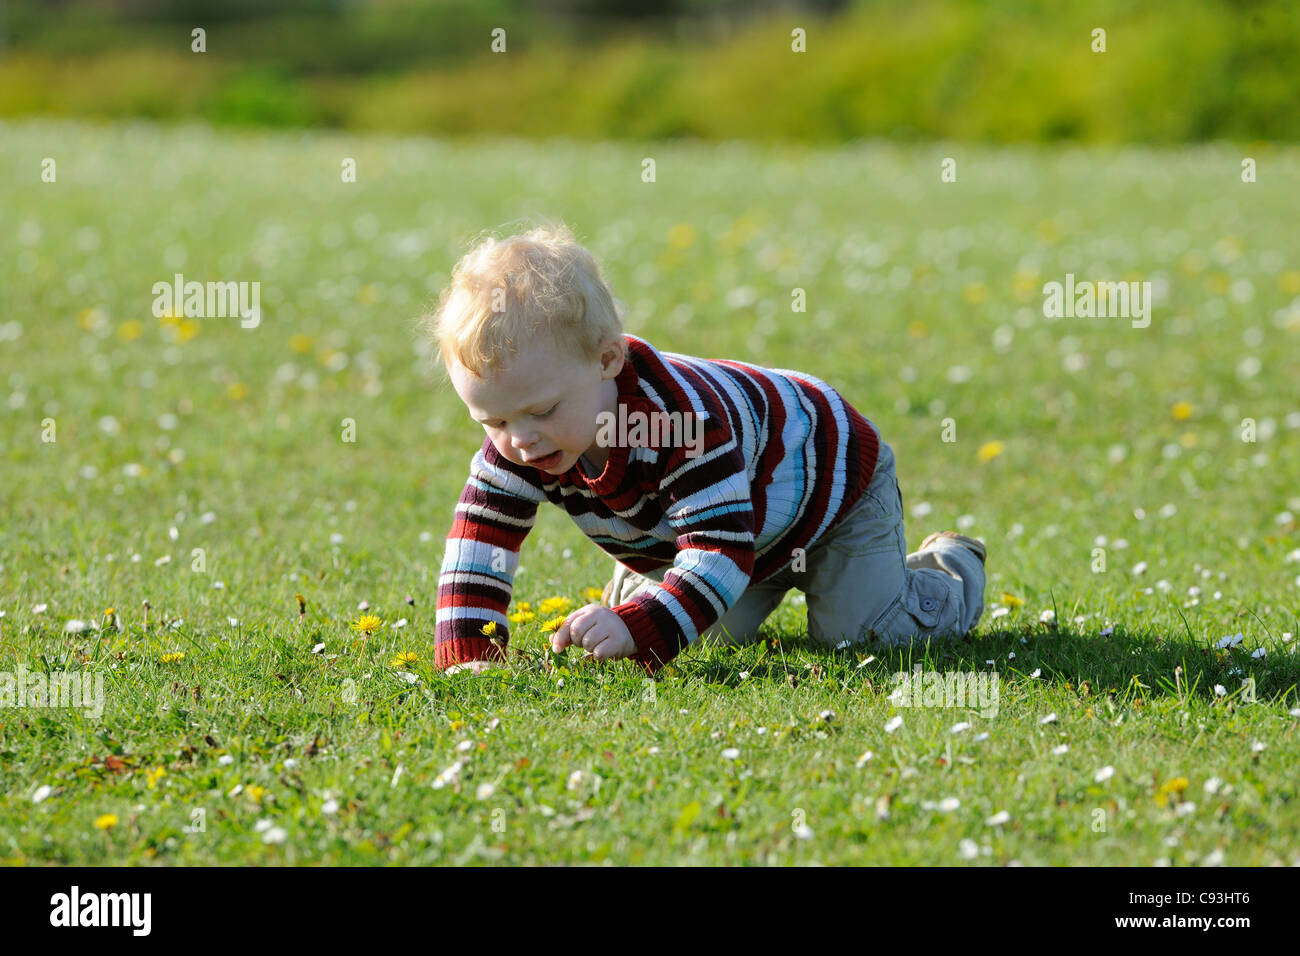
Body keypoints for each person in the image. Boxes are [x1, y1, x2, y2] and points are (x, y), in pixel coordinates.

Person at [424, 221, 985, 675]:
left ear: (606, 361)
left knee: (864, 640)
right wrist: (472, 652)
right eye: (491, 419)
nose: (519, 438)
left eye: (542, 411)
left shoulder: (676, 424)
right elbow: (480, 540)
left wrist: (638, 624)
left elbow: (720, 549)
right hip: (739, 531)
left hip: (831, 498)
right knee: (700, 641)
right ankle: (680, 588)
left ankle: (949, 571)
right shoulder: (522, 436)